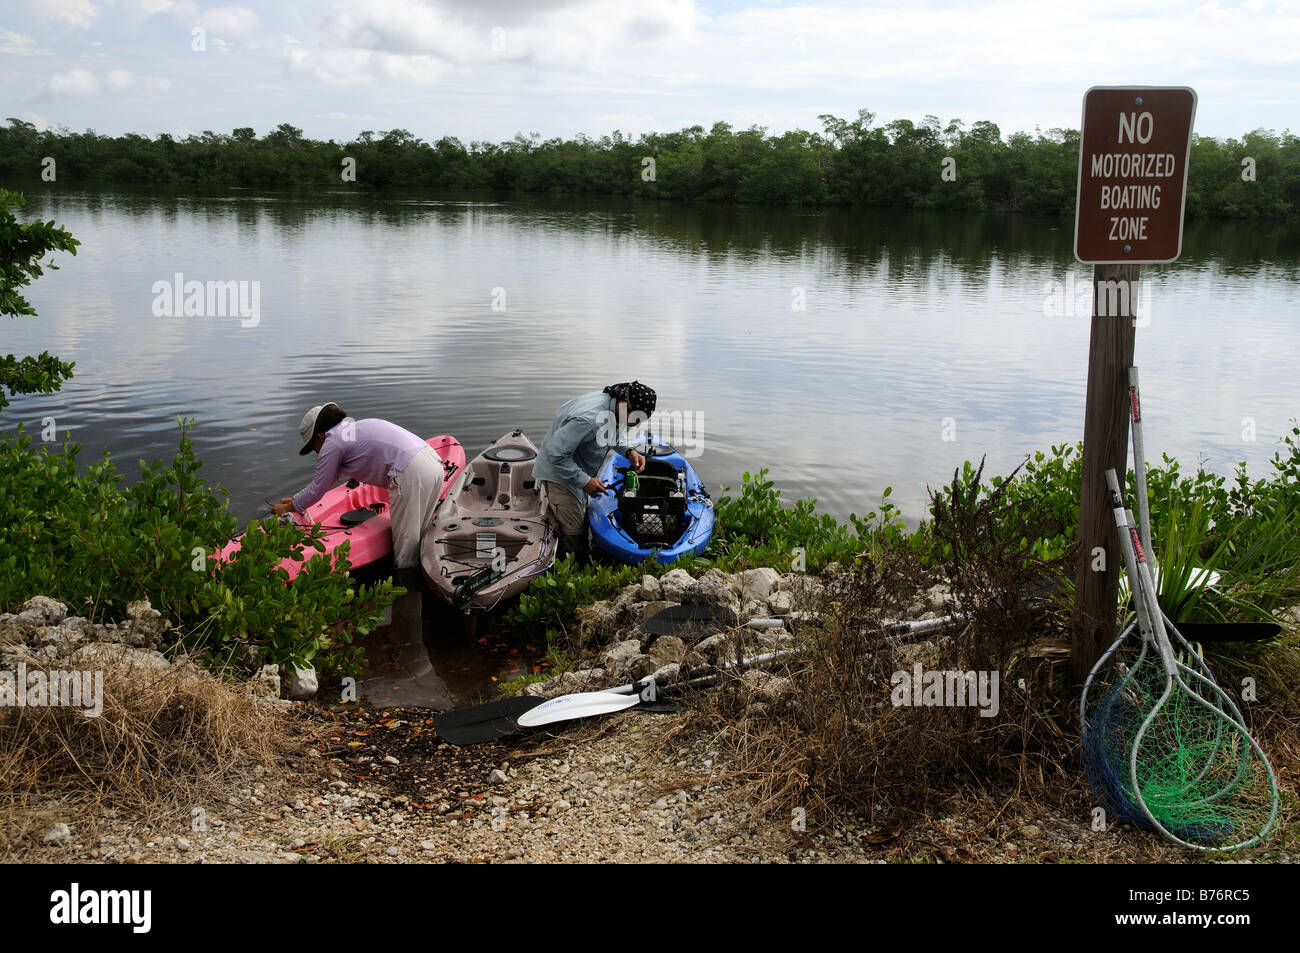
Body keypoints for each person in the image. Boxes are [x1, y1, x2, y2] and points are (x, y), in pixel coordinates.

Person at [272, 403, 443, 575]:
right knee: (420, 537)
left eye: (313, 446)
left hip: (410, 472)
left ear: (319, 435)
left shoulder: (332, 443)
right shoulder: (349, 430)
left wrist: (287, 509)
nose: (316, 452)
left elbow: (318, 488)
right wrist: (295, 500)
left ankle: (407, 593)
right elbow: (326, 481)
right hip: (433, 462)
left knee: (405, 554)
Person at [534, 381, 656, 563]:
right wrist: (584, 481)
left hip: (577, 470)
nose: (636, 424)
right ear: (624, 404)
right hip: (558, 475)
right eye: (636, 419)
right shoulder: (589, 419)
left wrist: (629, 452)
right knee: (573, 532)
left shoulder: (619, 408)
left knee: (582, 521)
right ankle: (571, 572)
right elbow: (555, 455)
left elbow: (617, 435)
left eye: (641, 420)